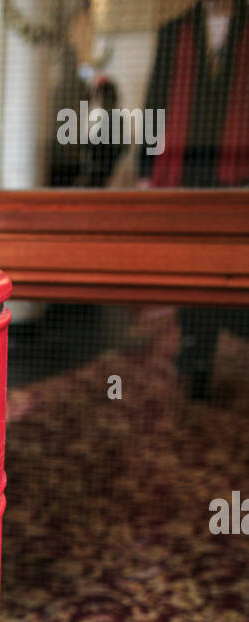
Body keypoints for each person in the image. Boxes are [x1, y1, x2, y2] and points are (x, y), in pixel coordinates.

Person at [139, 0, 249, 398]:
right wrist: (145, 171)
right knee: (190, 263)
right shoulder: (175, 31)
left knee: (228, 264)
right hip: (184, 170)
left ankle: (210, 343)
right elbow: (155, 102)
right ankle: (195, 351)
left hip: (239, 174)